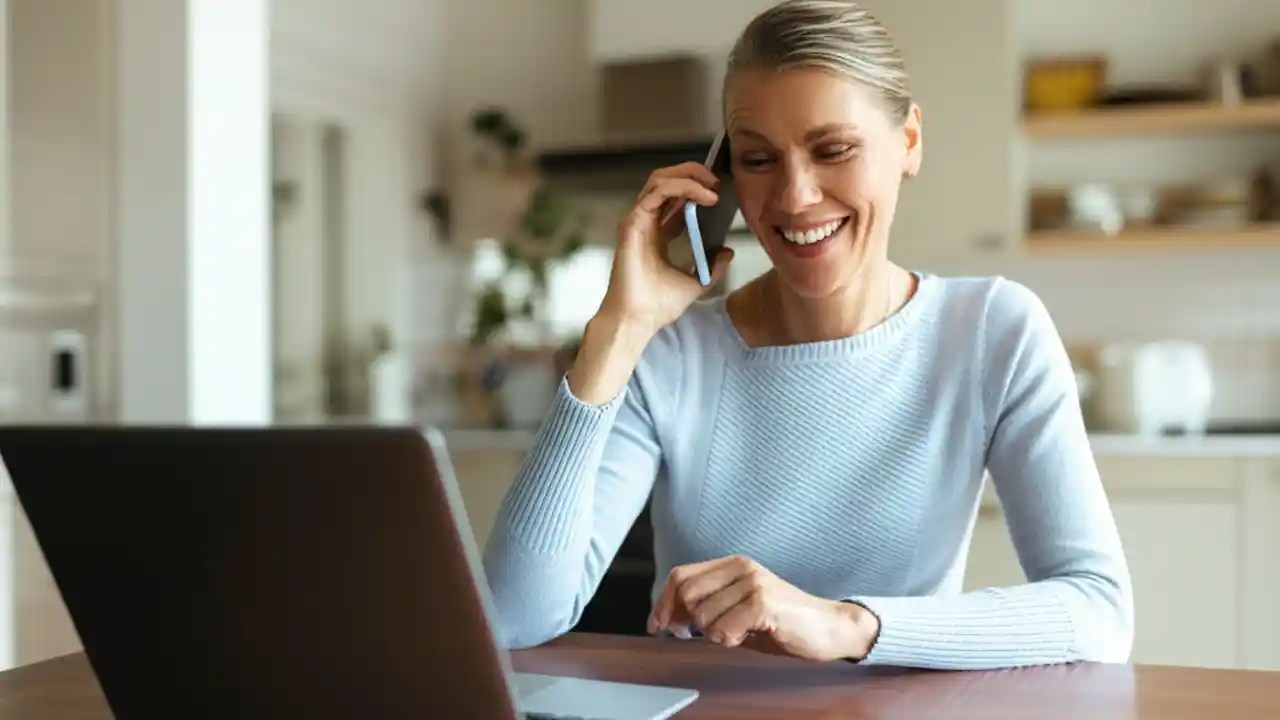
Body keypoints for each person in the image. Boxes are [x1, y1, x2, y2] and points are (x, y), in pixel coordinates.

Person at [481, 0, 1132, 670]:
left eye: (834, 150)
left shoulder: (993, 332)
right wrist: (620, 328)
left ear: (908, 142)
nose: (794, 198)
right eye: (759, 159)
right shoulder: (673, 352)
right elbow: (512, 614)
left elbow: (1099, 611)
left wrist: (847, 625)